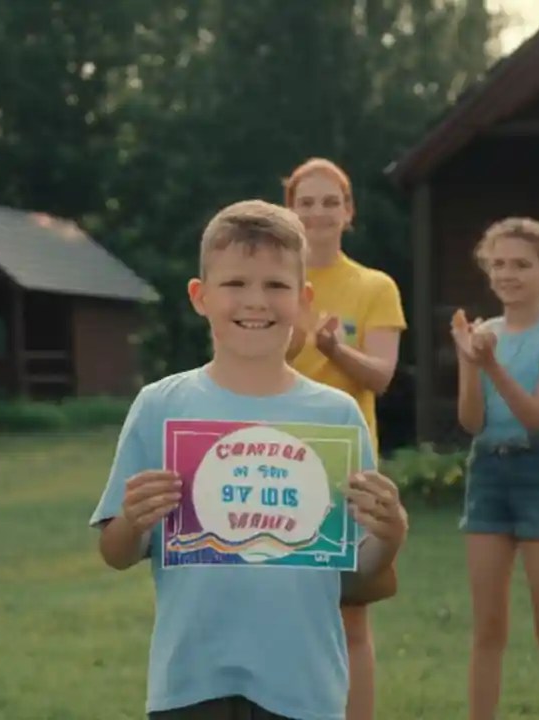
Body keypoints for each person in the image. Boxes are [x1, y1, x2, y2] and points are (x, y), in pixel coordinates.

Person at [89, 199, 409, 720]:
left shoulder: (336, 416)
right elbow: (116, 551)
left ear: (303, 298)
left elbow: (352, 577)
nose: (255, 301)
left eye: (276, 286)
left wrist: (390, 538)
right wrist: (131, 521)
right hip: (189, 681)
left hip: (304, 685)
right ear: (201, 296)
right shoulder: (161, 406)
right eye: (236, 284)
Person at [283, 158, 406, 720]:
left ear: (349, 212)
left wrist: (333, 348)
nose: (317, 212)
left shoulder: (375, 286)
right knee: (277, 614)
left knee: (351, 618)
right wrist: (297, 335)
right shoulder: (276, 282)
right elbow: (253, 363)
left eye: (330, 202)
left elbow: (381, 376)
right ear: (290, 210)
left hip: (349, 472)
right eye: (306, 202)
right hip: (277, 464)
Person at [450, 217, 539, 720]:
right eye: (498, 264)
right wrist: (467, 361)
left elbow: (538, 418)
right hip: (487, 473)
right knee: (488, 628)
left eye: (521, 265)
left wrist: (490, 366)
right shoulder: (485, 334)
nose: (508, 274)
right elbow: (471, 421)